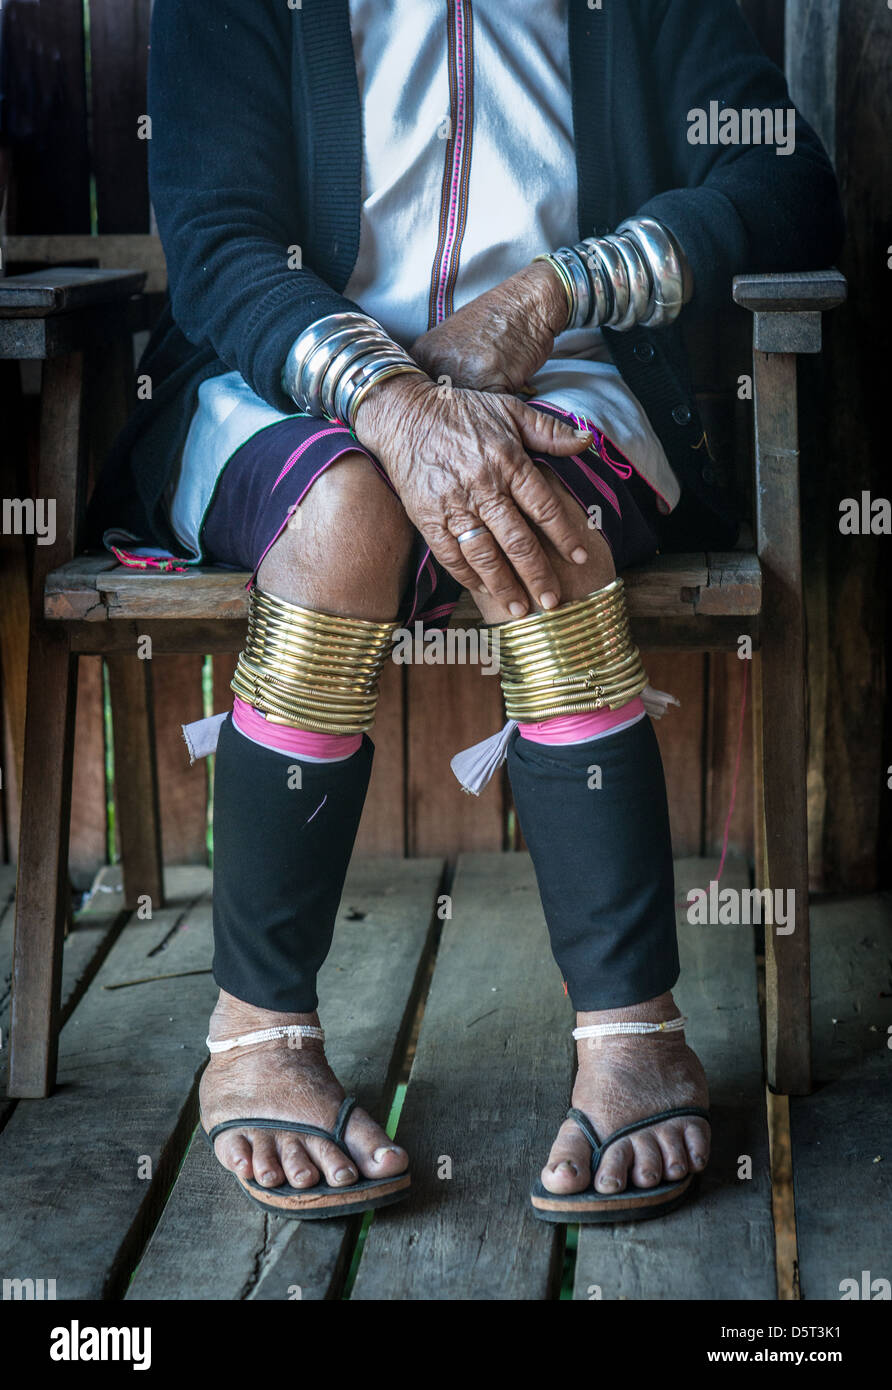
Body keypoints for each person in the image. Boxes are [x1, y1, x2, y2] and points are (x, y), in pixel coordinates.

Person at [88, 0, 843, 1223]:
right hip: (278, 376)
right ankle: (258, 1027)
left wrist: (555, 289)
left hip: (560, 378)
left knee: (541, 515)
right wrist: (387, 398)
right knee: (344, 520)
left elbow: (785, 178)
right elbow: (221, 240)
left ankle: (630, 1027)